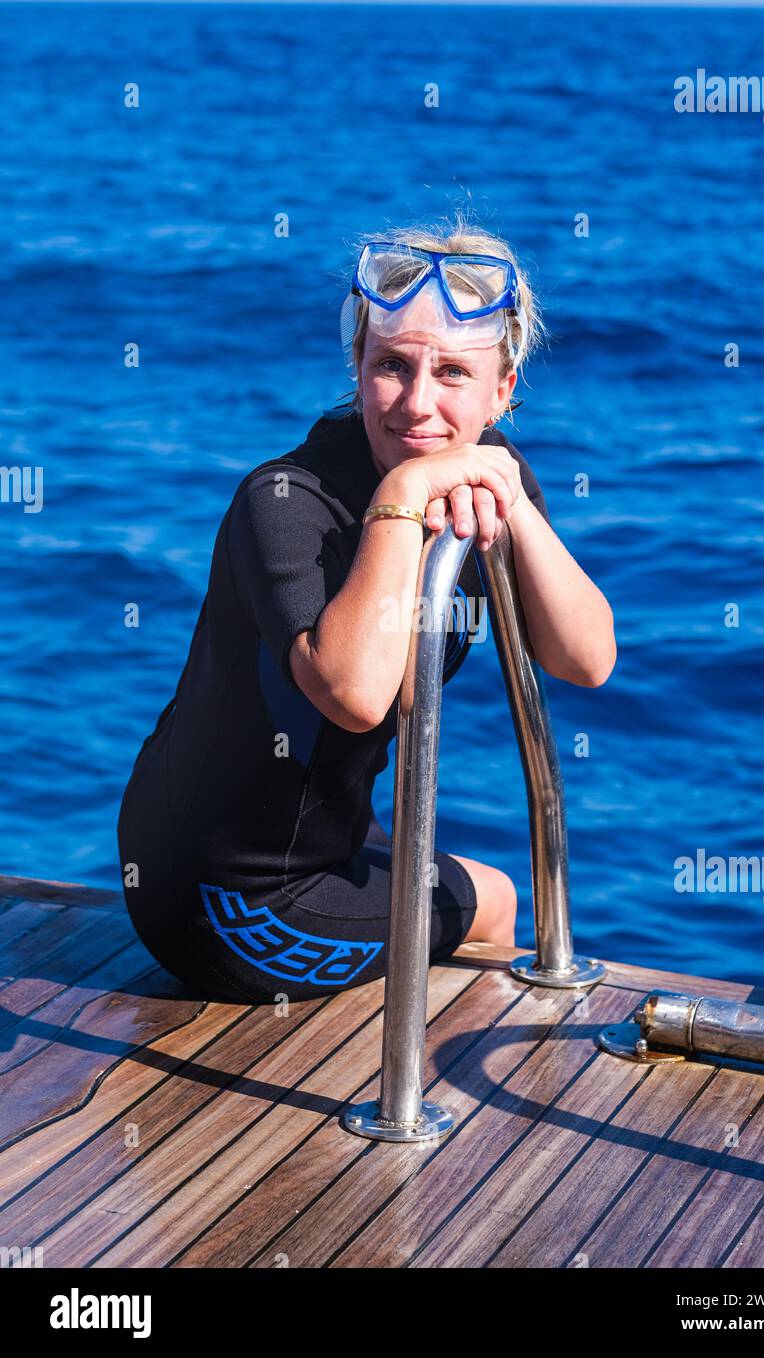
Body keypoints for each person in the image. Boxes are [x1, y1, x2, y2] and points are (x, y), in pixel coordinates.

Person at [116, 220, 616, 1003]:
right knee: (496, 902)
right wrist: (400, 498)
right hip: (223, 895)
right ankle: (435, 1108)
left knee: (433, 873)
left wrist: (514, 505)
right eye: (392, 366)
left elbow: (586, 660)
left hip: (313, 842)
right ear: (357, 368)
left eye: (454, 372)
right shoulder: (283, 502)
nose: (418, 405)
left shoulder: (493, 477)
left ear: (504, 389)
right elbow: (354, 697)